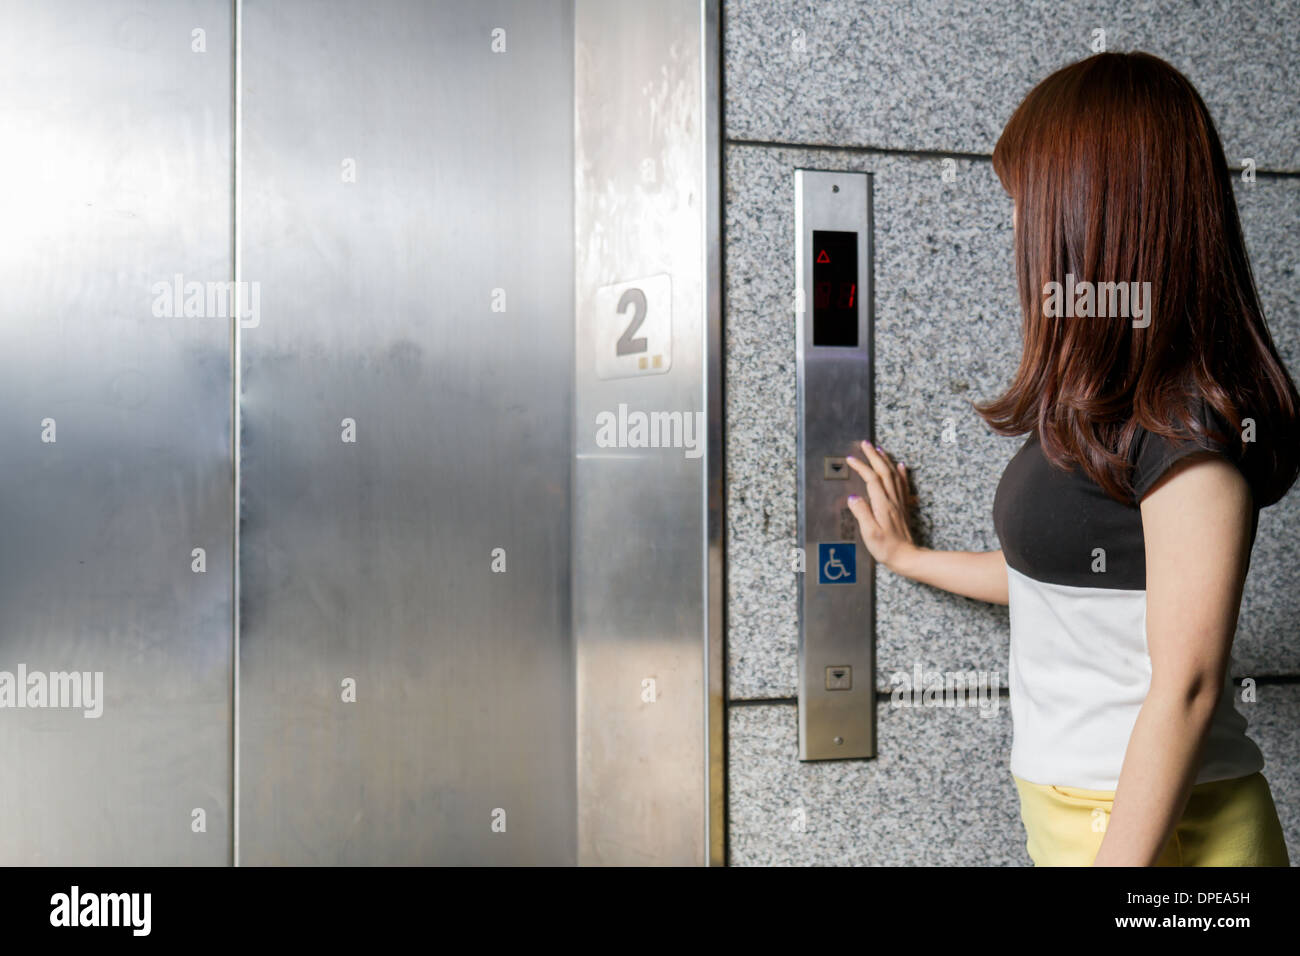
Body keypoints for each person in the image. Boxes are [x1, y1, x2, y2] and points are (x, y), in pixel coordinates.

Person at [845, 51, 1298, 866]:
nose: (1016, 227)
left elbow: (1188, 688)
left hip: (1172, 834)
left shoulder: (1189, 428)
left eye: (1025, 202)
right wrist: (908, 557)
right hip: (1074, 814)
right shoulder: (1101, 410)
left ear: (1092, 213)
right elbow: (1062, 582)